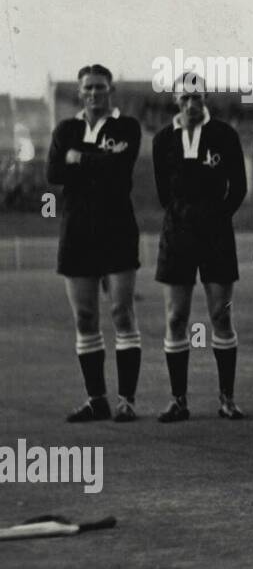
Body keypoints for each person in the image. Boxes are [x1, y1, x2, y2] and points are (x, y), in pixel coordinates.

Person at [47, 64, 143, 422]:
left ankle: (127, 400)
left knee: (121, 312)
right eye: (87, 88)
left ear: (110, 89)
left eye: (100, 87)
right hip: (76, 233)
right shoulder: (66, 128)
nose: (93, 93)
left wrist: (79, 159)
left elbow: (121, 170)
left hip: (117, 230)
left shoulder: (126, 127)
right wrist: (99, 162)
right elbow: (54, 173)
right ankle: (96, 399)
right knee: (85, 317)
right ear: (79, 91)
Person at [152, 74, 247, 421]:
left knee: (221, 315)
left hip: (216, 236)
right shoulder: (163, 139)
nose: (191, 104)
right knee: (176, 317)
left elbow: (237, 188)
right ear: (175, 101)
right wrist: (184, 217)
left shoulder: (224, 136)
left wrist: (215, 217)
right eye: (184, 98)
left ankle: (227, 399)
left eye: (197, 97)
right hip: (177, 236)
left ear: (205, 98)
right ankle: (179, 400)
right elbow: (165, 194)